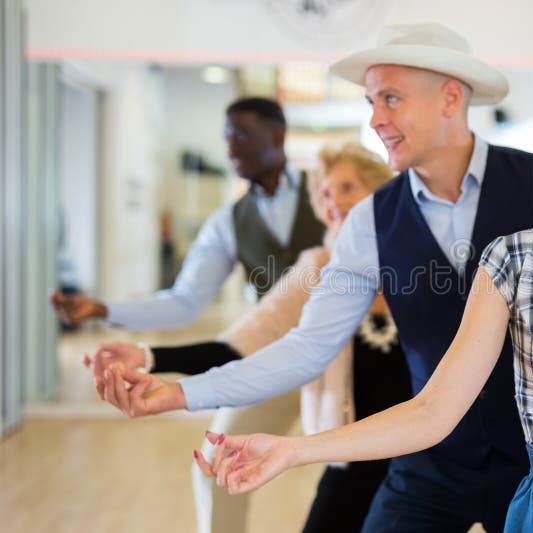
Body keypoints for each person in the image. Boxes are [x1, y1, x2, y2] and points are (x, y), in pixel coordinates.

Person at [97, 24, 533, 532]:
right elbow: (314, 350)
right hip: (455, 463)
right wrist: (190, 393)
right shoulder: (412, 230)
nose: (376, 119)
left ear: (450, 98)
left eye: (390, 99)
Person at [89, 143, 411, 533]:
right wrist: (149, 357)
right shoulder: (318, 269)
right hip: (353, 457)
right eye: (325, 194)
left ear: (379, 192)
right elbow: (240, 344)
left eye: (347, 188)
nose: (335, 203)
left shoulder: (418, 262)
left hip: (420, 453)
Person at [50, 97, 325, 330]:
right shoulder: (228, 222)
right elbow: (185, 301)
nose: (231, 150)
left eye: (241, 136)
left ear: (278, 135)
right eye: (227, 140)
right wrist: (101, 309)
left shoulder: (330, 195)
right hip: (282, 350)